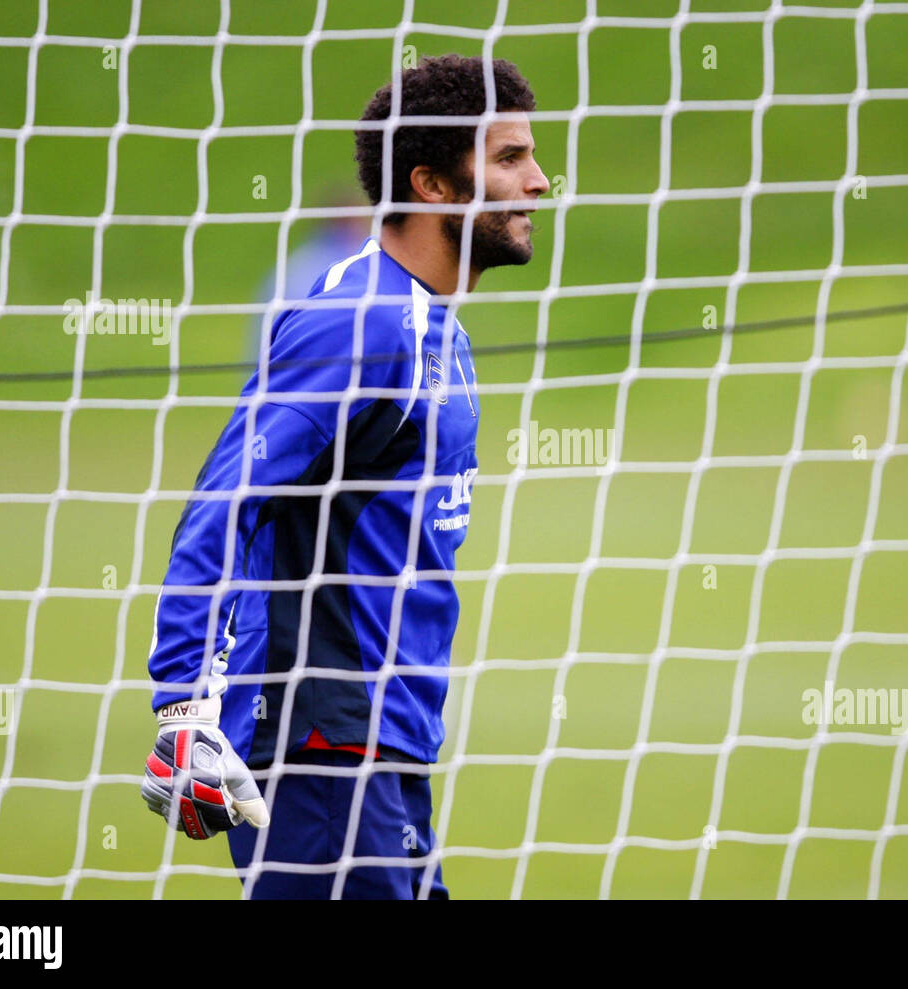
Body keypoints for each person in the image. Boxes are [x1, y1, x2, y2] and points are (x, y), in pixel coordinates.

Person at [139, 53, 549, 899]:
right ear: (432, 184)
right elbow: (226, 497)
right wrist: (184, 707)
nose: (540, 182)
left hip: (386, 747)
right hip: (323, 745)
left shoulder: (437, 329)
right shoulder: (358, 321)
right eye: (509, 159)